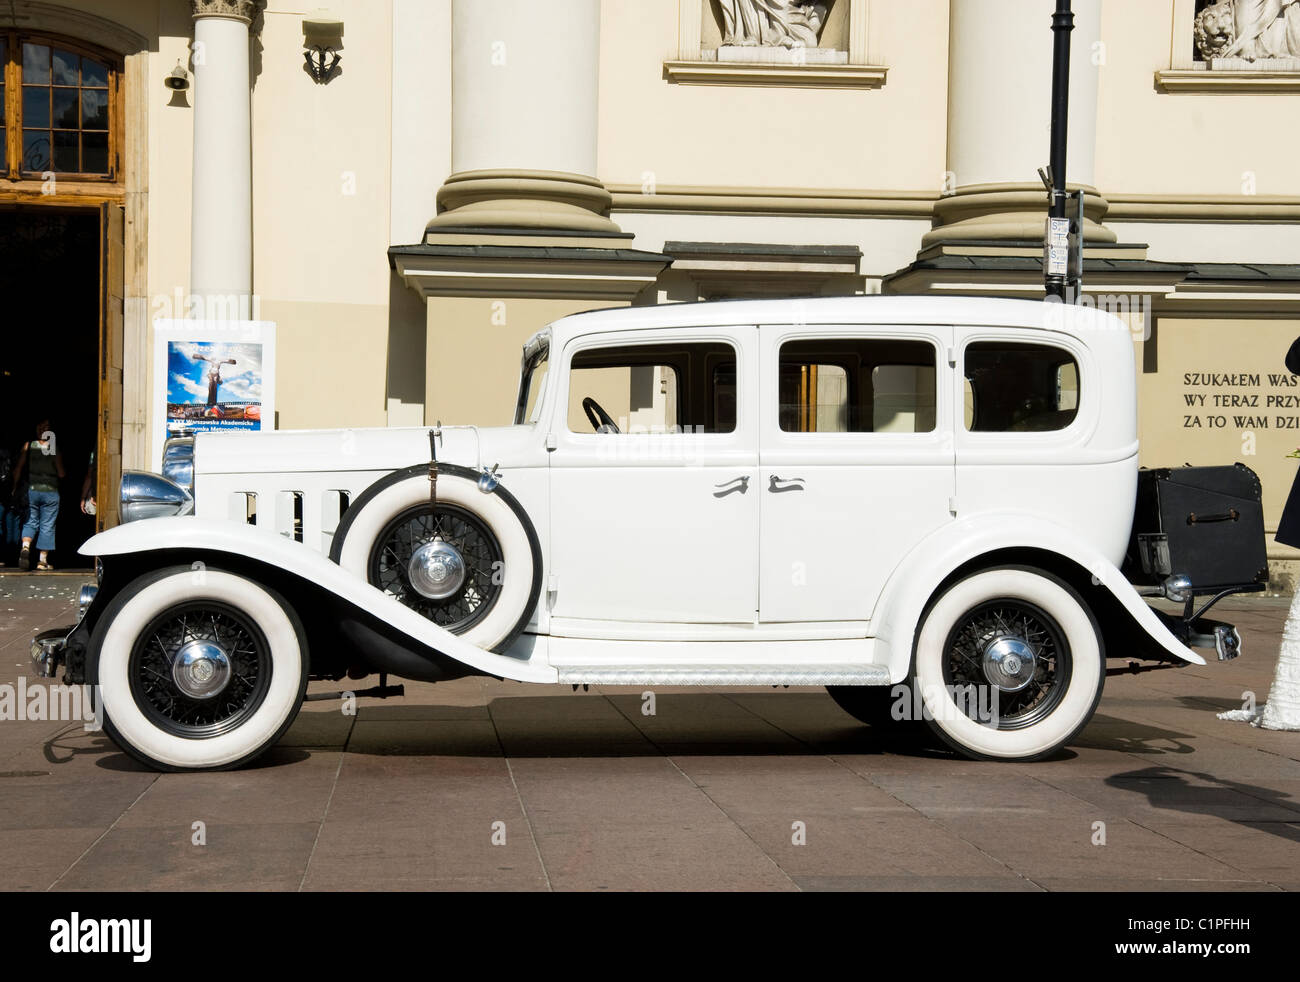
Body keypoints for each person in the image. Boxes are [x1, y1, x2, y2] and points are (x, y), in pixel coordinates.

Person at [11, 417, 65, 571]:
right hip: (50, 492)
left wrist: (14, 487)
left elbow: (18, 468)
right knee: (47, 524)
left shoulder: (28, 445)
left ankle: (26, 546)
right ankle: (42, 561)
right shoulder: (53, 448)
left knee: (30, 521)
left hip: (32, 491)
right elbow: (61, 473)